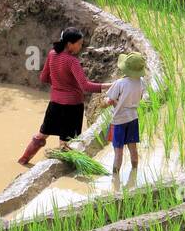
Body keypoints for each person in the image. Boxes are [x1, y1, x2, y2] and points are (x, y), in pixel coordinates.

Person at [18, 27, 111, 165]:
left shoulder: (52, 54)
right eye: (79, 43)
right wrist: (109, 85)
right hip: (72, 107)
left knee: (42, 134)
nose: (81, 46)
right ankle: (63, 170)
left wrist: (58, 85)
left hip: (55, 104)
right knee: (66, 142)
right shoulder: (72, 61)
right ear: (69, 44)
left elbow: (43, 78)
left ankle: (23, 160)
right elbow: (85, 86)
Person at [104, 52, 147, 180]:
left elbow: (109, 101)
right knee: (133, 149)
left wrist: (104, 103)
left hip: (119, 121)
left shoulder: (120, 83)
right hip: (133, 118)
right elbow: (138, 98)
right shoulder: (141, 82)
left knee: (118, 152)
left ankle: (115, 178)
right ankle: (134, 173)